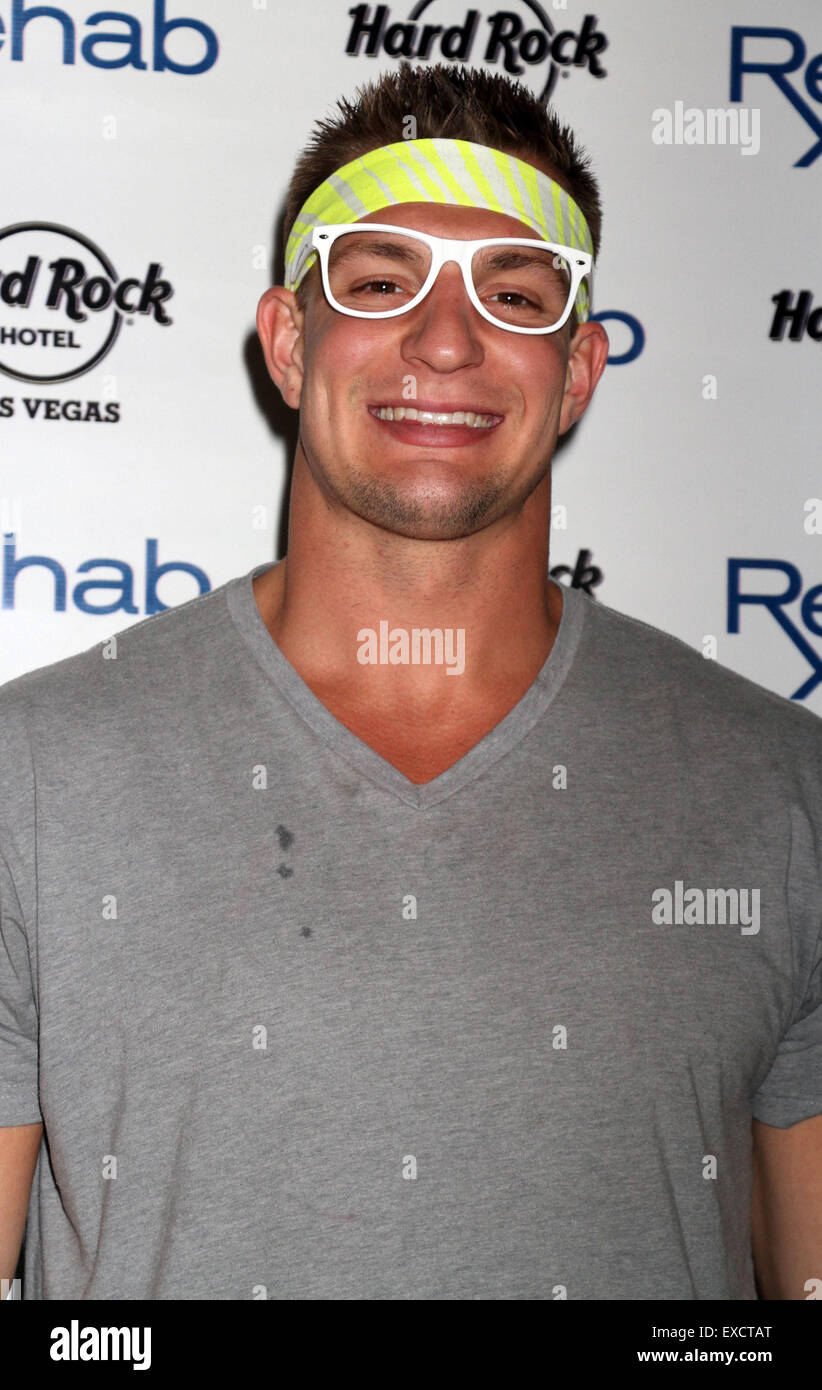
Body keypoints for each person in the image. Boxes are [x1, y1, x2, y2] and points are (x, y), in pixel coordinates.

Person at [1, 62, 821, 1302]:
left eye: (514, 291)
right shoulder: (33, 777)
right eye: (380, 282)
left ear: (581, 371)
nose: (447, 338)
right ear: (289, 343)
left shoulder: (784, 793)